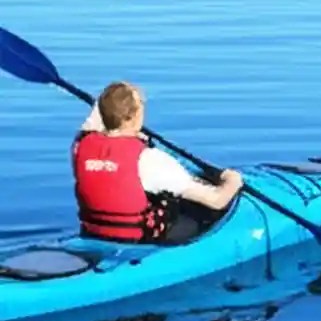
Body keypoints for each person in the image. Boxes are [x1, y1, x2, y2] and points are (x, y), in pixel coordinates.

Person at [72, 81, 243, 244]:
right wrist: (232, 179)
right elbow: (217, 200)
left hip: (95, 233)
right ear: (135, 115)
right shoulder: (150, 159)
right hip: (141, 238)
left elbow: (93, 122)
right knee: (201, 210)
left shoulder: (81, 147)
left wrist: (114, 104)